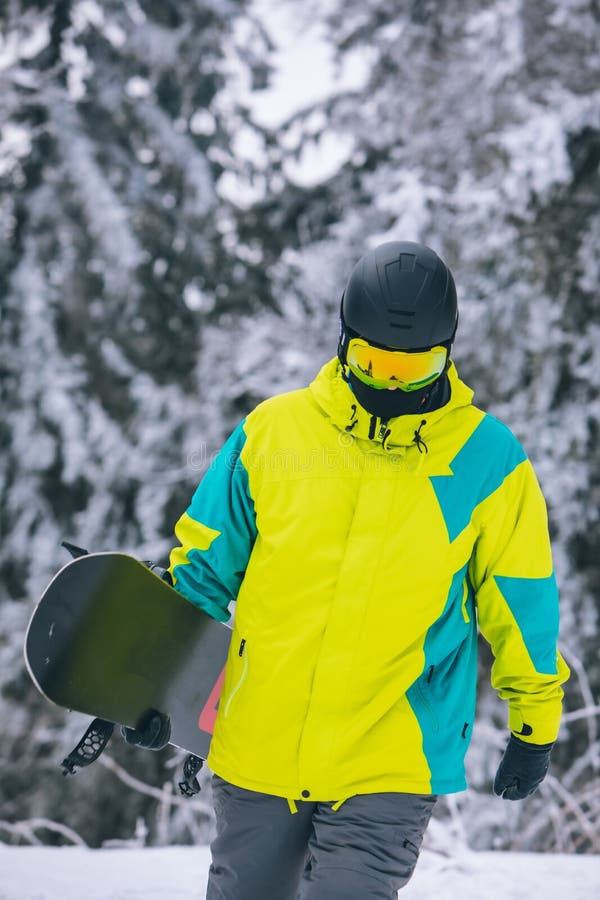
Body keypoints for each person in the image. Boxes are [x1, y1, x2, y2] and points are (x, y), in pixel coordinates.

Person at [143, 242, 570, 899]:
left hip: (393, 754)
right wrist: (150, 684)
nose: (391, 383)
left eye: (414, 365)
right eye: (373, 362)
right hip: (260, 747)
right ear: (344, 340)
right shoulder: (273, 433)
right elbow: (201, 573)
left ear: (447, 351)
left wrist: (535, 722)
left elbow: (522, 603)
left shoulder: (489, 461)